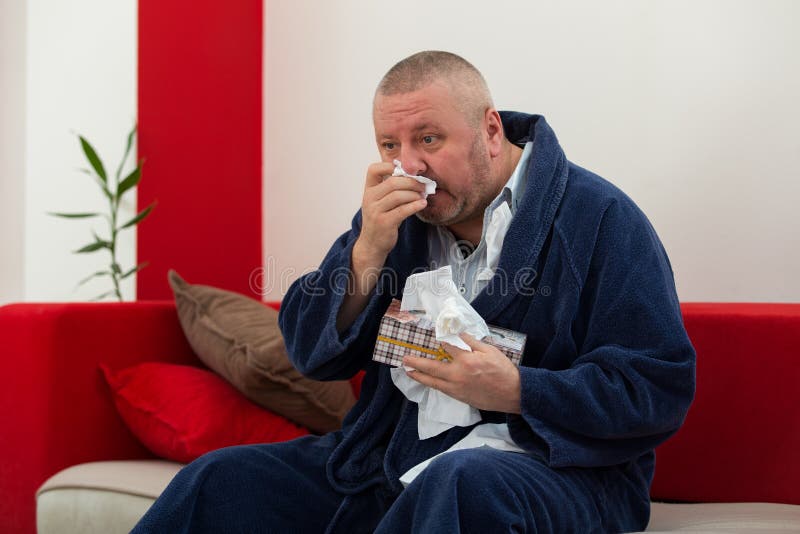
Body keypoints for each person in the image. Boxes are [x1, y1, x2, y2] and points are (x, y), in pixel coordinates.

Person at [133, 51, 695, 533]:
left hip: (558, 472)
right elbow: (308, 352)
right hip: (390, 461)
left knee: (462, 484)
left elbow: (658, 386)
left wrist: (520, 390)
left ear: (491, 131)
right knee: (218, 480)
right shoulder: (393, 218)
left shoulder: (602, 220)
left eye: (428, 138)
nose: (408, 165)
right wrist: (366, 254)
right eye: (388, 144)